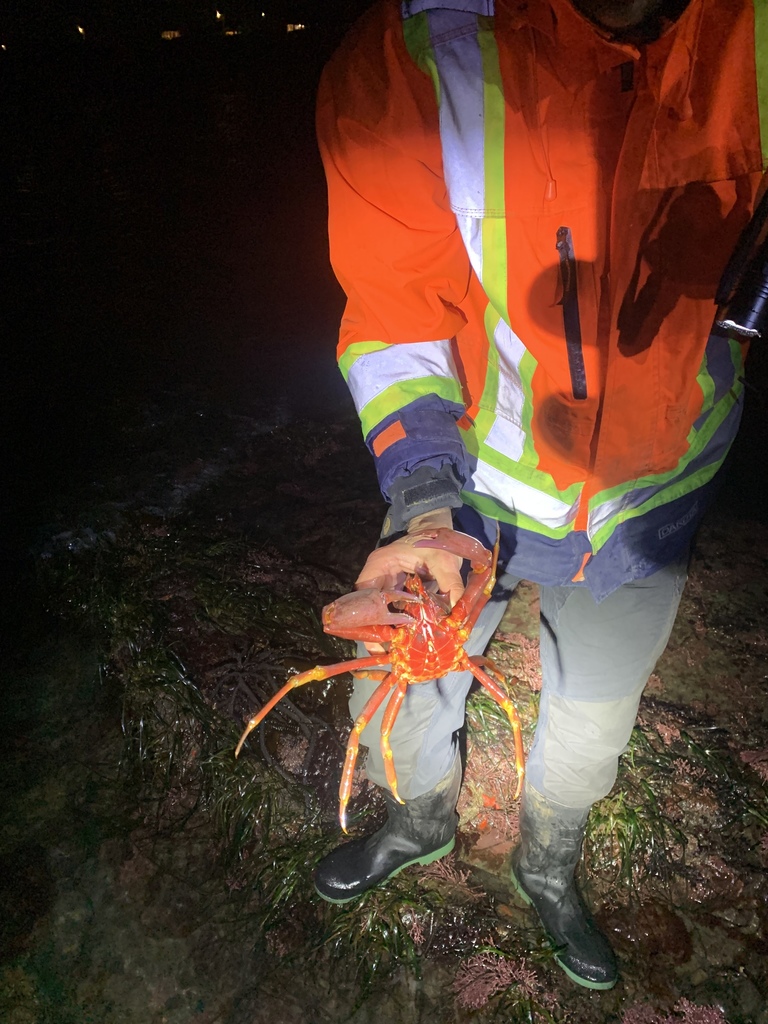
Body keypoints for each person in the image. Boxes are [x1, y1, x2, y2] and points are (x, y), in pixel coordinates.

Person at [312, 0, 766, 990]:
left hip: (651, 499)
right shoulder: (414, 48)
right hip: (467, 487)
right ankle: (418, 821)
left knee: (594, 721)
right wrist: (424, 497)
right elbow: (391, 308)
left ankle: (548, 863)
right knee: (389, 693)